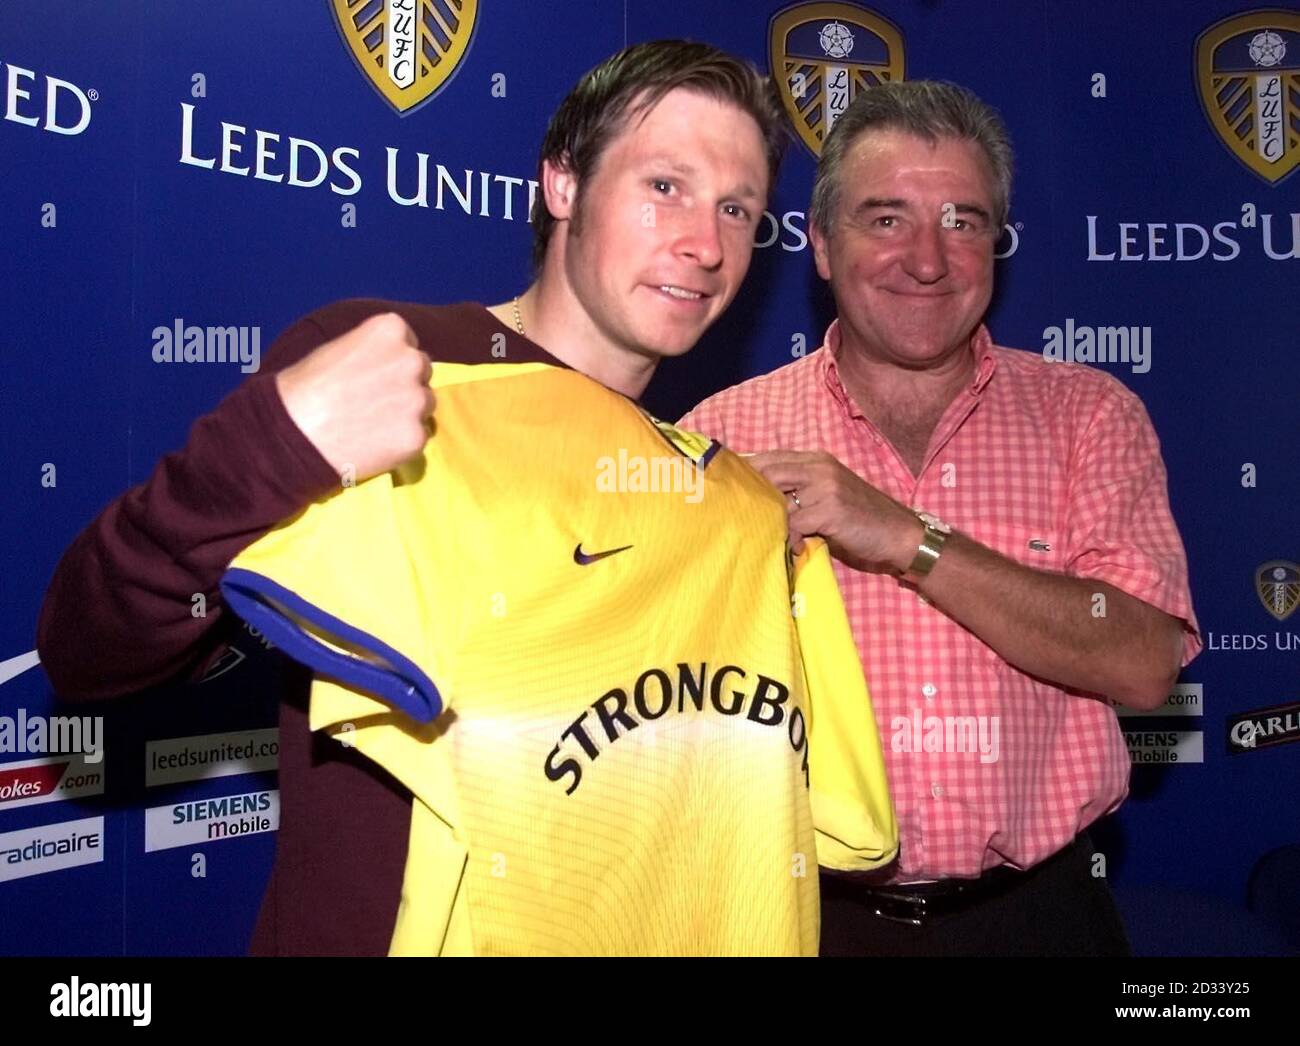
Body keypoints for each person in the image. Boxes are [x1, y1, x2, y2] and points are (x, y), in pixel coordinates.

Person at [37, 41, 811, 955]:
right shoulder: (395, 370)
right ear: (562, 183)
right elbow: (87, 651)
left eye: (736, 209)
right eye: (665, 187)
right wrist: (274, 444)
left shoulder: (708, 491)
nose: (704, 244)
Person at [680, 80, 1202, 957]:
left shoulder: (1089, 416)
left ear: (997, 241)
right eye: (886, 219)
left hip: (1038, 923)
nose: (928, 259)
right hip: (799, 921)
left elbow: (1146, 662)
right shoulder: (721, 436)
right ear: (819, 245)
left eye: (962, 221)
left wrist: (909, 539)